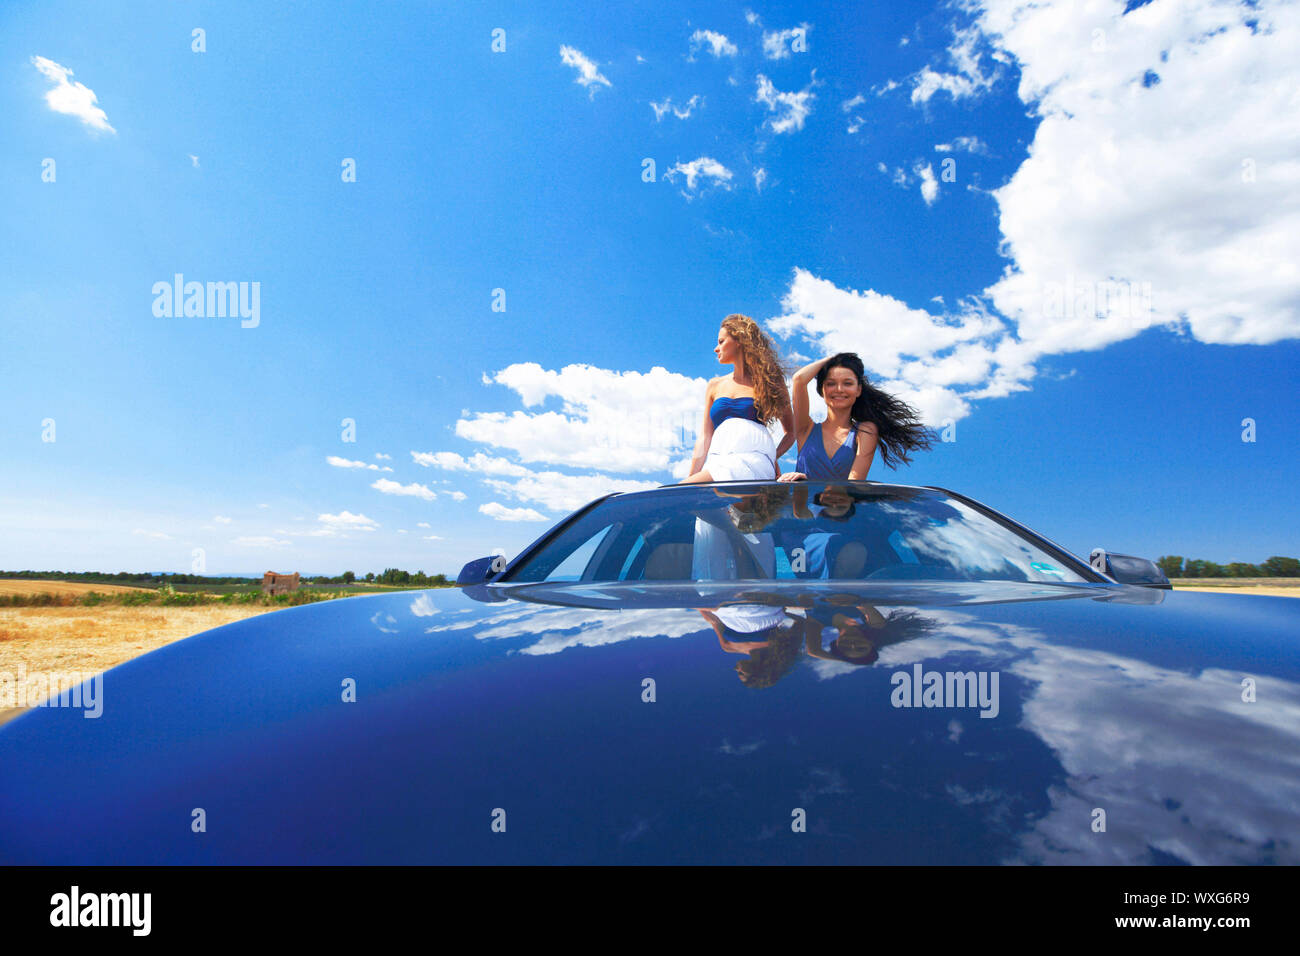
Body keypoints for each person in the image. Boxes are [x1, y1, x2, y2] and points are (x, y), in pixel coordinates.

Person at [778, 353, 934, 482]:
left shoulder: (865, 431)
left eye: (847, 383)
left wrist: (809, 483)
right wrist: (834, 358)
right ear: (821, 390)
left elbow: (853, 486)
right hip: (803, 515)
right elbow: (799, 379)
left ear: (858, 390)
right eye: (831, 383)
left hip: (842, 515)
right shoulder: (806, 429)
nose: (839, 389)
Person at [682, 314, 794, 483]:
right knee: (720, 506)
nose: (716, 348)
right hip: (719, 460)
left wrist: (771, 455)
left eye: (721, 342)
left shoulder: (770, 380)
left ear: (740, 340)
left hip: (754, 462)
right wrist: (691, 478)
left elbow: (791, 432)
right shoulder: (714, 385)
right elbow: (705, 437)